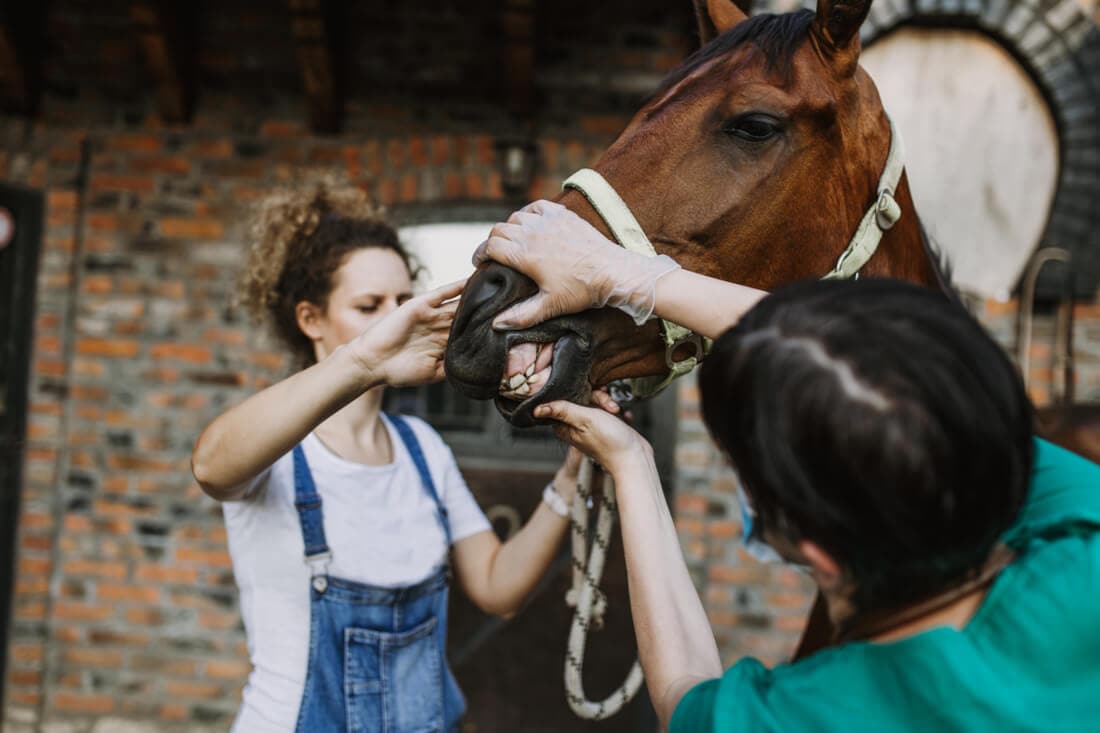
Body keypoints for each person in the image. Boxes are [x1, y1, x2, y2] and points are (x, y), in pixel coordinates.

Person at [474, 201, 1100, 731]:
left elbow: (682, 693)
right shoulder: (1082, 560)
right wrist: (627, 278)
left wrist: (630, 464)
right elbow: (879, 370)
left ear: (816, 552)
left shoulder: (813, 714)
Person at [190, 182, 581, 733]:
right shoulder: (275, 449)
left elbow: (499, 590)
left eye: (402, 301)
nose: (395, 319)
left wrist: (572, 475)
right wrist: (366, 361)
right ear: (311, 320)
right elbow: (210, 466)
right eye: (369, 306)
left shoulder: (422, 448)